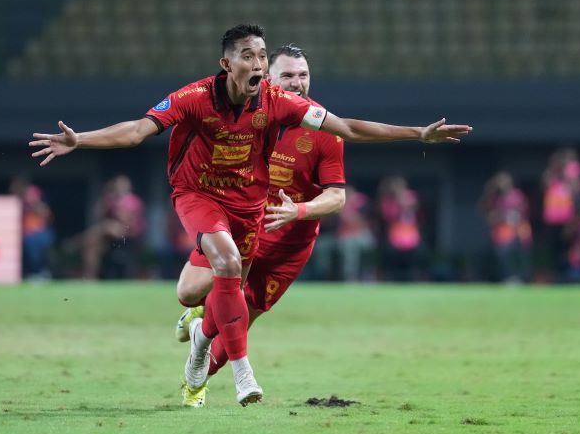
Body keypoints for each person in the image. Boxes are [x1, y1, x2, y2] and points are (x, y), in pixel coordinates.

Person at [30, 23, 470, 407]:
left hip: (251, 208)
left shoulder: (281, 105)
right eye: (250, 56)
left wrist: (418, 133)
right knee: (215, 273)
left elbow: (348, 128)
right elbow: (137, 132)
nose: (258, 63)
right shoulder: (194, 97)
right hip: (200, 196)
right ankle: (244, 375)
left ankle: (200, 344)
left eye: (262, 54)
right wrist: (80, 140)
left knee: (212, 298)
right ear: (227, 64)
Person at [174, 43, 348, 404]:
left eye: (303, 75)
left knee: (239, 321)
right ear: (266, 78)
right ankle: (200, 325)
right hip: (241, 227)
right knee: (189, 293)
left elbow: (337, 196)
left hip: (288, 247)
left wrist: (297, 212)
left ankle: (196, 380)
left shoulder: (321, 127)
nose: (297, 83)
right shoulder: (249, 115)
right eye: (287, 75)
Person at [79, 175, 147, 280]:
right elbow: (98, 215)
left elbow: (129, 220)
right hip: (110, 235)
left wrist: (118, 210)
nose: (121, 187)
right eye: (118, 185)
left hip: (129, 232)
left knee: (105, 226)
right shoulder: (111, 199)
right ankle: (90, 276)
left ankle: (76, 242)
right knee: (92, 246)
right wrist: (106, 198)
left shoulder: (133, 200)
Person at [479, 172, 532, 283]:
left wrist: (504, 216)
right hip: (502, 233)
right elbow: (485, 210)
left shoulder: (517, 196)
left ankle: (522, 278)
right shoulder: (495, 198)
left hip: (518, 231)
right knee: (502, 256)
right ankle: (507, 277)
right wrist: (489, 191)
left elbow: (521, 212)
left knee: (520, 257)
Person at [541, 147, 580, 280]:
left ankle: (570, 276)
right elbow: (545, 184)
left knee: (569, 250)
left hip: (568, 220)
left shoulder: (572, 176)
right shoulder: (551, 176)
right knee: (554, 250)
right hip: (553, 220)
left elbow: (577, 192)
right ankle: (557, 276)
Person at [378, 176, 423, 281]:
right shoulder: (388, 201)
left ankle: (415, 279)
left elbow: (415, 207)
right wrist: (396, 202)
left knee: (416, 257)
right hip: (395, 234)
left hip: (411, 233)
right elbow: (387, 216)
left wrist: (402, 200)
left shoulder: (411, 196)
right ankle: (390, 279)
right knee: (391, 256)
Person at [11, 176, 54, 279]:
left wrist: (33, 203)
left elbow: (48, 216)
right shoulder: (16, 201)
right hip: (22, 234)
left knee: (34, 242)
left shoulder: (34, 197)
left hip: (39, 233)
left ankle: (39, 272)